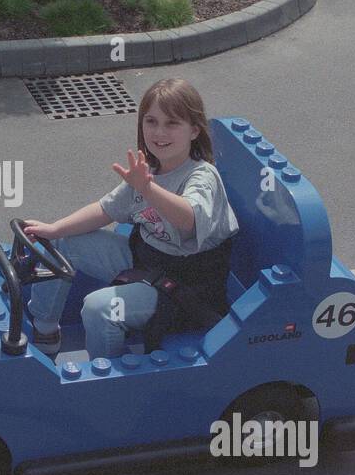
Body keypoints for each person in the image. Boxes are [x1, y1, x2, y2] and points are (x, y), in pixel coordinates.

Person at [22, 78, 240, 359]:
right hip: (147, 262)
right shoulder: (149, 169)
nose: (159, 132)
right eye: (151, 121)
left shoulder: (202, 176)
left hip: (185, 290)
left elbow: (189, 218)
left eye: (172, 123)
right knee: (65, 242)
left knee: (99, 309)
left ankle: (106, 377)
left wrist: (147, 188)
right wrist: (54, 229)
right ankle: (45, 329)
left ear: (195, 130)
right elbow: (105, 210)